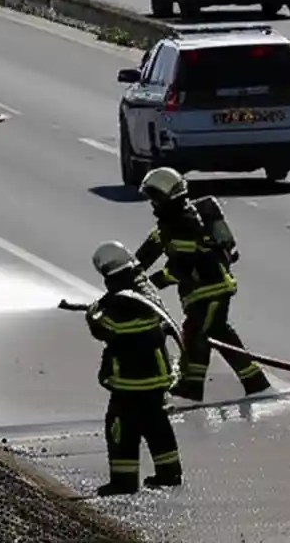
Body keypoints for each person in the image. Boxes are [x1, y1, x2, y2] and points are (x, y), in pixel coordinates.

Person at [135, 167, 271, 402]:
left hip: (210, 290)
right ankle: (254, 382)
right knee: (213, 333)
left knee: (199, 334)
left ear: (166, 198)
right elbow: (149, 250)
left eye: (154, 199)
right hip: (204, 291)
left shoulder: (185, 225)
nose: (152, 205)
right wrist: (131, 273)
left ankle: (193, 386)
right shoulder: (174, 223)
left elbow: (180, 268)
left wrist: (149, 285)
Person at [86, 240, 184, 496]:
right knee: (157, 424)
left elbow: (109, 330)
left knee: (121, 426)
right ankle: (170, 473)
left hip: (130, 380)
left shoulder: (119, 303)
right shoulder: (145, 290)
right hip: (157, 374)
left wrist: (93, 316)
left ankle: (124, 481)